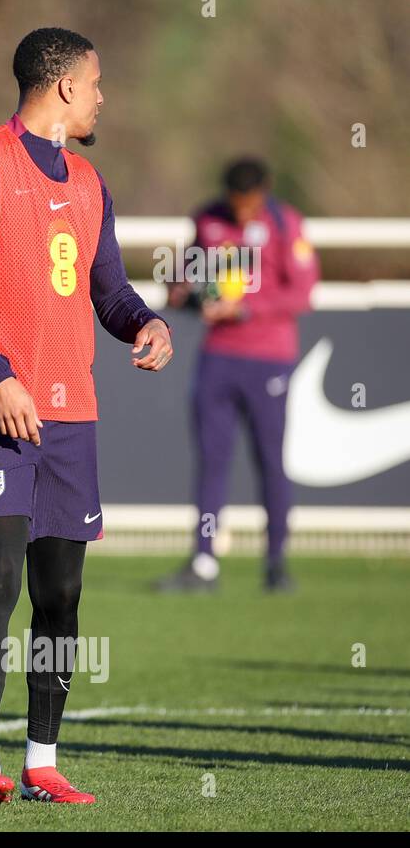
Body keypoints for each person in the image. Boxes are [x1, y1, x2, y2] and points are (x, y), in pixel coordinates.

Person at [0, 27, 172, 808]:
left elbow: (108, 291)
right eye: (96, 83)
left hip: (71, 415)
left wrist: (145, 323)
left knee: (61, 594)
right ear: (62, 87)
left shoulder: (91, 182)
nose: (102, 96)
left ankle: (42, 761)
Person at [156, 158, 318, 593]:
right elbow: (179, 280)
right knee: (212, 461)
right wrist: (187, 297)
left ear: (264, 193)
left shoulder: (286, 223)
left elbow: (303, 292)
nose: (242, 213)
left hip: (269, 358)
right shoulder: (207, 220)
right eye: (236, 204)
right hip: (218, 357)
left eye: (250, 204)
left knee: (270, 461)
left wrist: (247, 308)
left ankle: (276, 561)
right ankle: (204, 562)